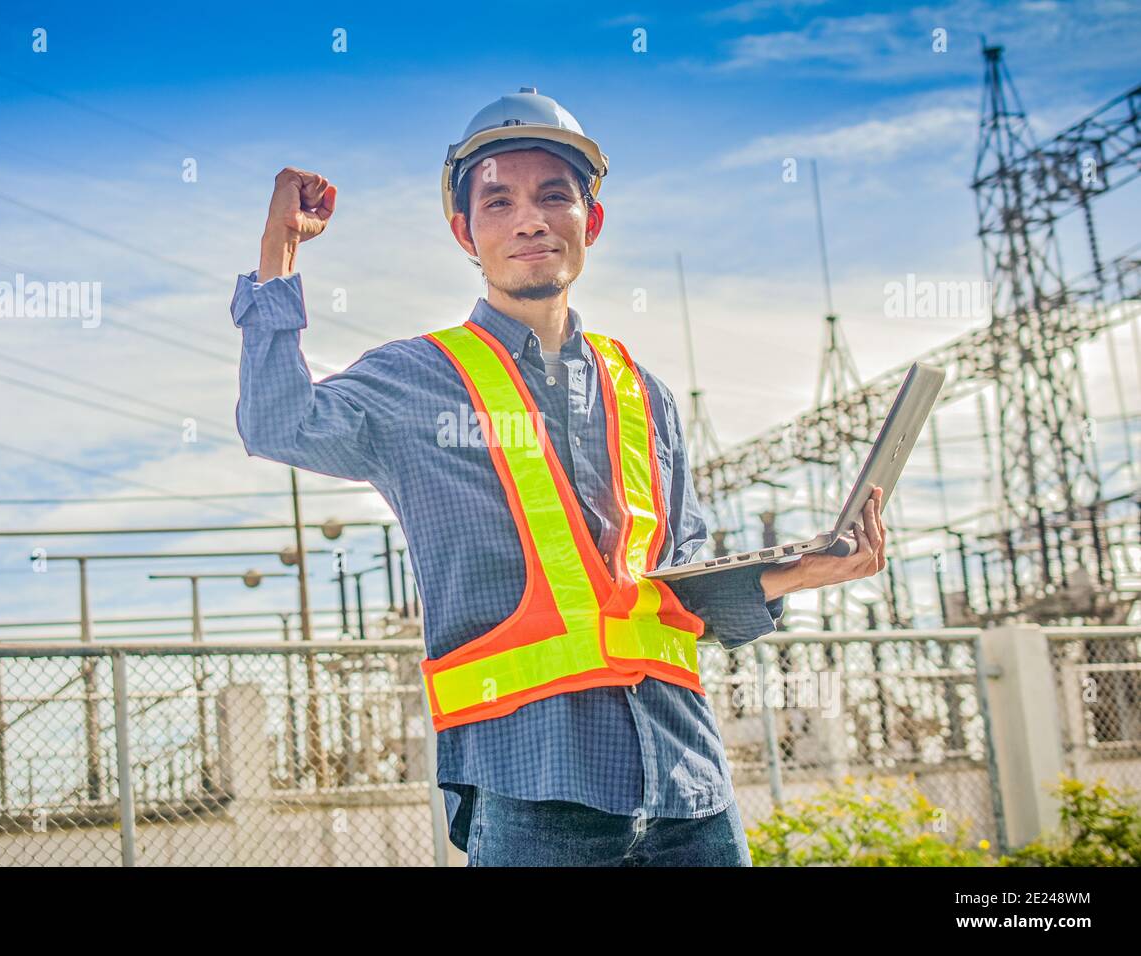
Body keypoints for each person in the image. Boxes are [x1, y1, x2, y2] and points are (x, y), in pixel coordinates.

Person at [230, 88, 887, 866]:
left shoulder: (644, 394)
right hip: (535, 788)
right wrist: (280, 250)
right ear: (464, 233)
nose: (530, 220)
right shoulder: (414, 381)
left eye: (553, 197)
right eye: (498, 202)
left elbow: (682, 595)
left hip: (689, 788)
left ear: (590, 222)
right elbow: (278, 421)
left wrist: (802, 573)